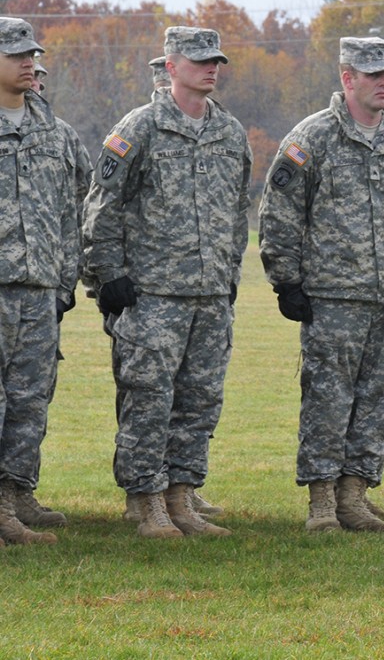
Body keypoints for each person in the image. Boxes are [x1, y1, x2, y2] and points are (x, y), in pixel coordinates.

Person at [83, 26, 251, 539]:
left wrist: (229, 276)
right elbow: (102, 207)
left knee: (199, 400)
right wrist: (108, 275)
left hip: (209, 294)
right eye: (199, 60)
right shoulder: (140, 127)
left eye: (215, 60)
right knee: (148, 399)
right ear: (171, 66)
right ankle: (147, 500)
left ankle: (182, 497)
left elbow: (238, 212)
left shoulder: (230, 132)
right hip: (152, 294)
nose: (211, 68)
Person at [259, 36, 384, 533]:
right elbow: (279, 213)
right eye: (372, 74)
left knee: (378, 399)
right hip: (332, 295)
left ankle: (355, 495)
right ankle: (321, 503)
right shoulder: (312, 138)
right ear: (346, 77)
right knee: (328, 400)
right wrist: (286, 280)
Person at [0, 18, 79, 547]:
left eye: (33, 54)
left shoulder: (53, 130)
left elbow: (73, 208)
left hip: (39, 287)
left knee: (29, 398)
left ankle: (11, 496)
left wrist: (65, 279)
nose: (30, 62)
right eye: (17, 55)